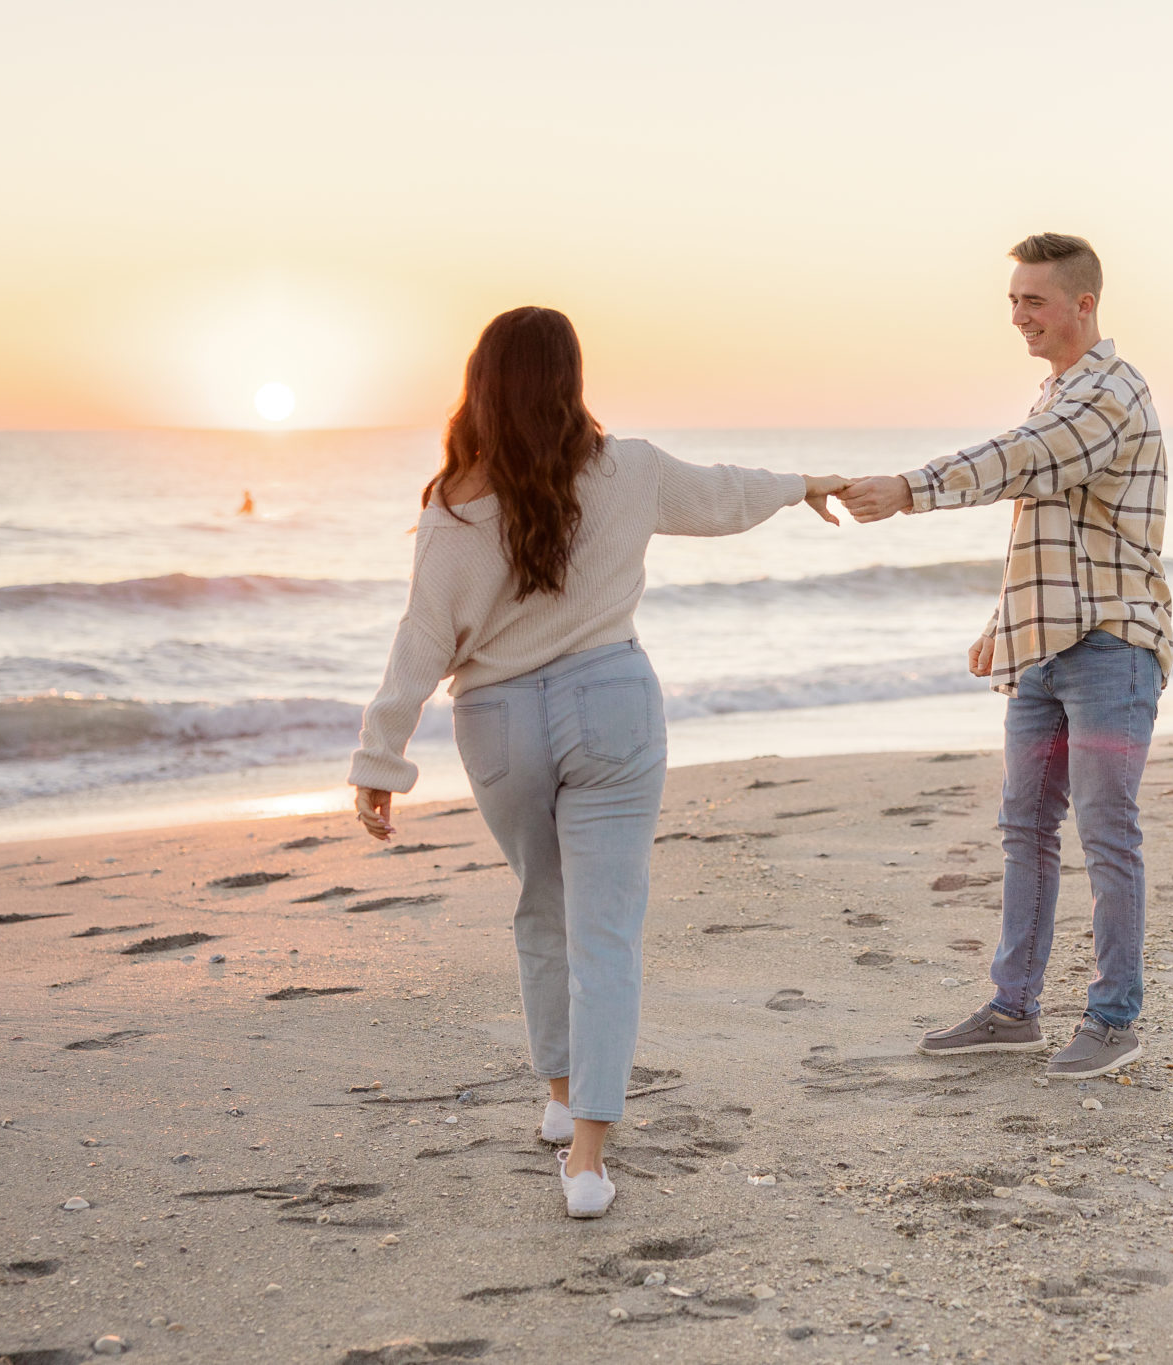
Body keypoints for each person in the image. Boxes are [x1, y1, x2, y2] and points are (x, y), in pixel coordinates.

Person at [348, 306, 847, 1218]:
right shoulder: (634, 471)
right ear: (572, 379)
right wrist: (801, 482)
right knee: (605, 932)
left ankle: (560, 1095)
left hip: (498, 722)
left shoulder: (454, 500)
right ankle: (585, 1159)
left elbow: (423, 634)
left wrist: (381, 754)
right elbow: (726, 494)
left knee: (543, 905)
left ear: (482, 383)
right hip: (611, 703)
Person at [838, 233, 1172, 1080]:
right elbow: (1050, 522)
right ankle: (1013, 1009)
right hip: (1044, 654)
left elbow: (1021, 461)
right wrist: (1006, 620)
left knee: (1106, 831)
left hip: (1111, 650)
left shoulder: (1108, 394)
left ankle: (1112, 1019)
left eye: (1035, 301)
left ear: (1083, 305)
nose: (1019, 316)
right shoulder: (1058, 390)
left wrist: (910, 489)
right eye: (1013, 301)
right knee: (1024, 828)